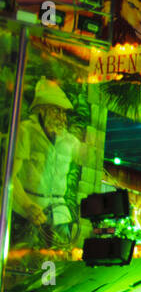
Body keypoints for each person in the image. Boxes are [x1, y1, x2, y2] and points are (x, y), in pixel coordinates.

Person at [10, 78, 86, 249]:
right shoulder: (26, 131)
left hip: (60, 215)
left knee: (62, 260)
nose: (61, 117)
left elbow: (87, 158)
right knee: (24, 259)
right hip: (27, 213)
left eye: (63, 111)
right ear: (42, 110)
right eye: (56, 110)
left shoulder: (69, 141)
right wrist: (26, 205)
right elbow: (9, 176)